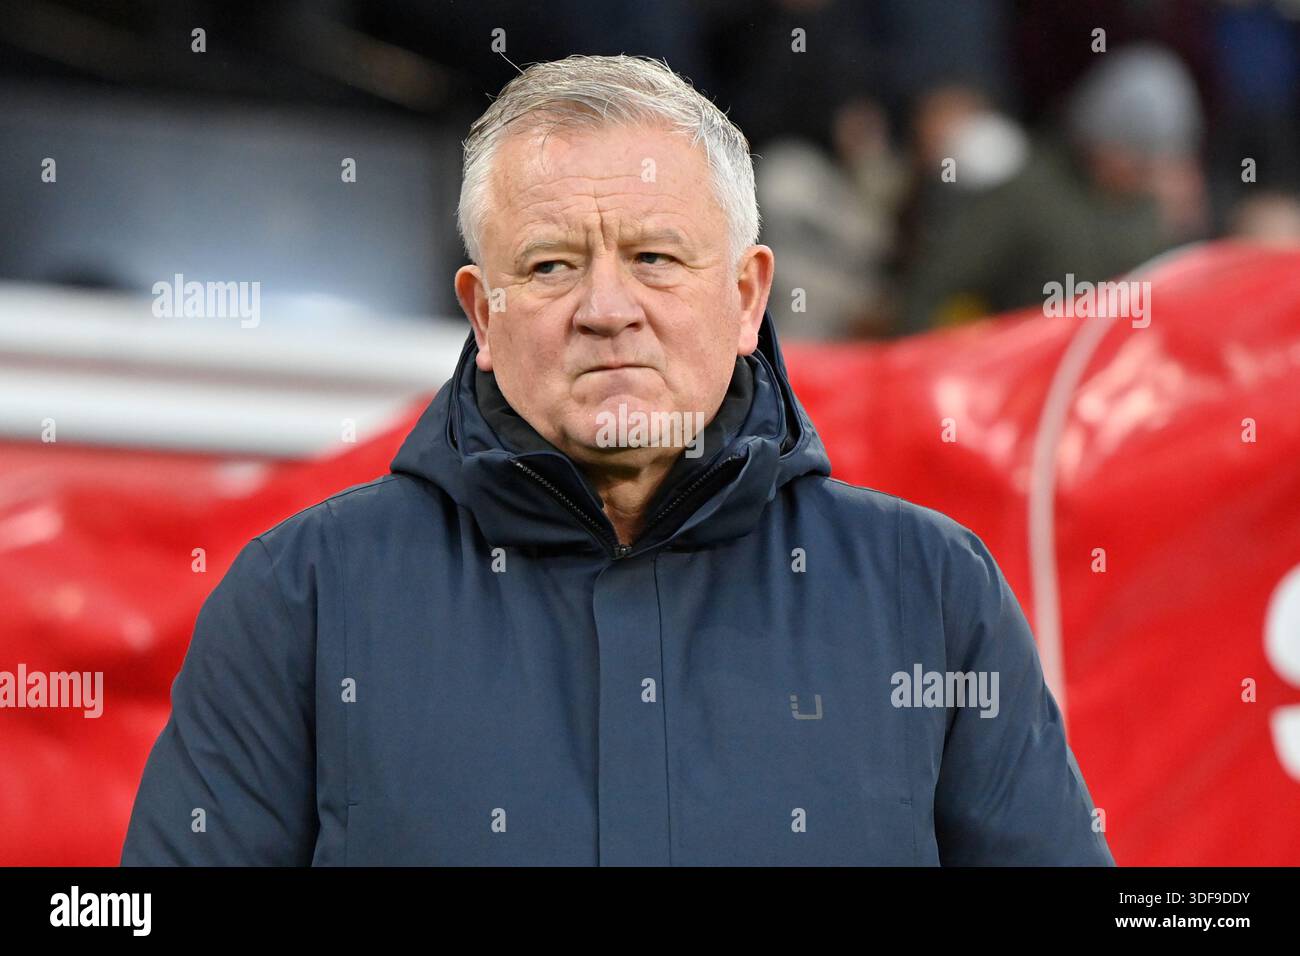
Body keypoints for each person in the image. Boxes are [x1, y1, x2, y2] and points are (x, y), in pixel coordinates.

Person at [121, 54, 1114, 866]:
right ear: (481, 310)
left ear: (747, 295)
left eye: (654, 257)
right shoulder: (301, 599)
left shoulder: (932, 594)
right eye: (551, 264)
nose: (606, 308)